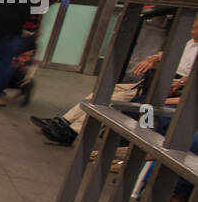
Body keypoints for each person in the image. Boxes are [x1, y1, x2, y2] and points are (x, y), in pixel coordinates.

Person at [33, 14, 198, 144]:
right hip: (158, 81)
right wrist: (154, 58)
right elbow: (167, 53)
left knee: (112, 101)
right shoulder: (190, 43)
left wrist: (181, 82)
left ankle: (72, 132)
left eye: (195, 25)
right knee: (103, 93)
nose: (192, 28)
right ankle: (64, 122)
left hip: (177, 87)